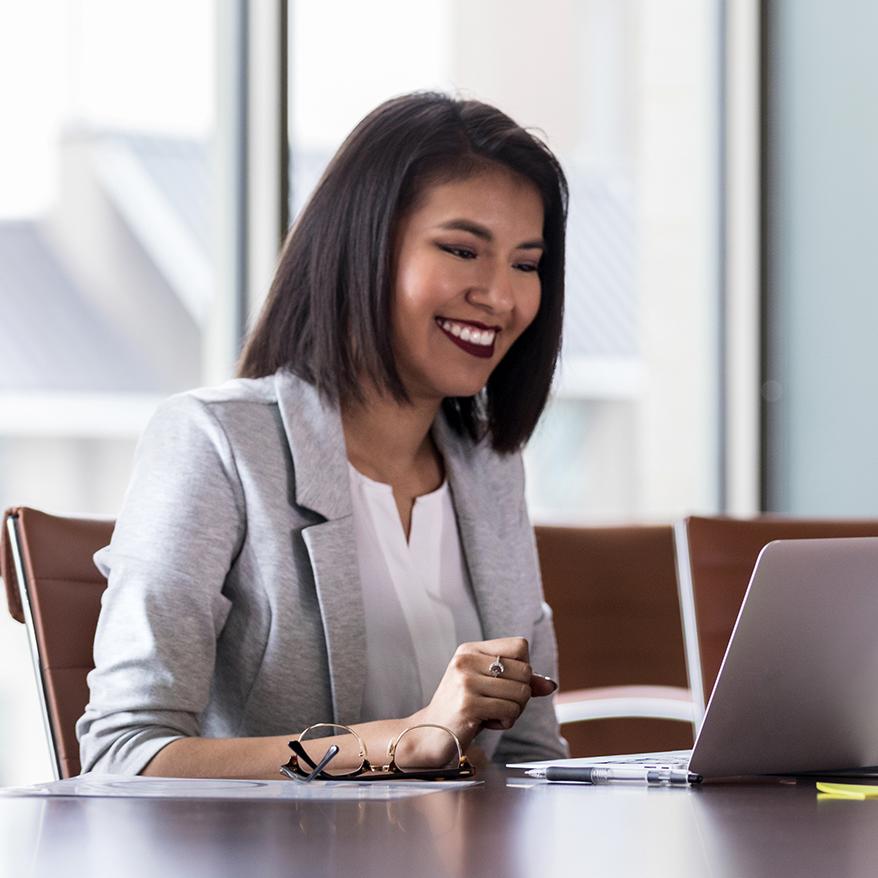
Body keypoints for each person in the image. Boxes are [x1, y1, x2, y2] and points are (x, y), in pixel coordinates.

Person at [77, 91, 570, 778]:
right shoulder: (214, 443)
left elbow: (527, 754)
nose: (501, 296)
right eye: (462, 250)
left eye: (526, 263)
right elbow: (123, 757)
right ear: (364, 247)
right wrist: (397, 743)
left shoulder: (489, 466)